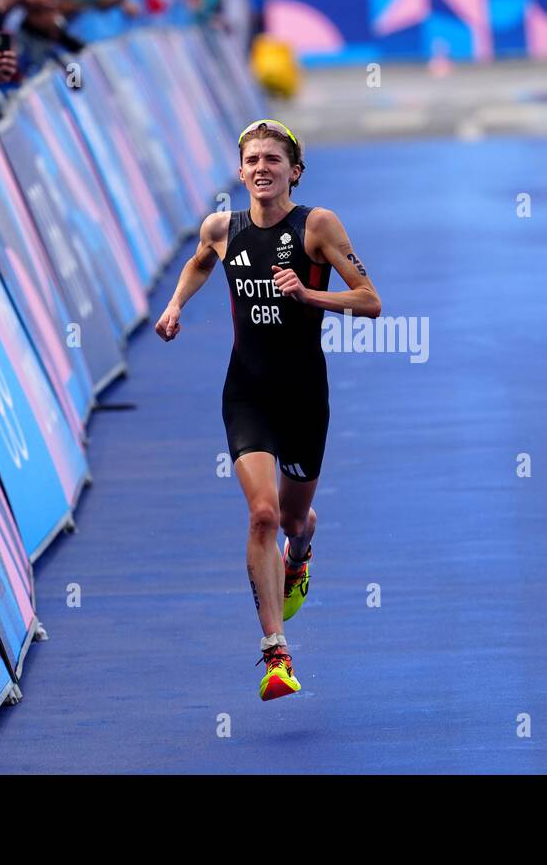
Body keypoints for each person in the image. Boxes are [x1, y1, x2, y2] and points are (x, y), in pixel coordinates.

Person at [154, 119, 381, 701]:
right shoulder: (220, 226)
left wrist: (308, 295)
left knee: (292, 519)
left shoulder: (317, 226)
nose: (262, 168)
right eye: (252, 159)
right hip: (247, 391)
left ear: (294, 172)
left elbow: (371, 301)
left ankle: (300, 554)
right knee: (261, 515)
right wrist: (177, 304)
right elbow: (202, 259)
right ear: (240, 170)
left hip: (304, 395)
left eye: (273, 160)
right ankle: (276, 655)